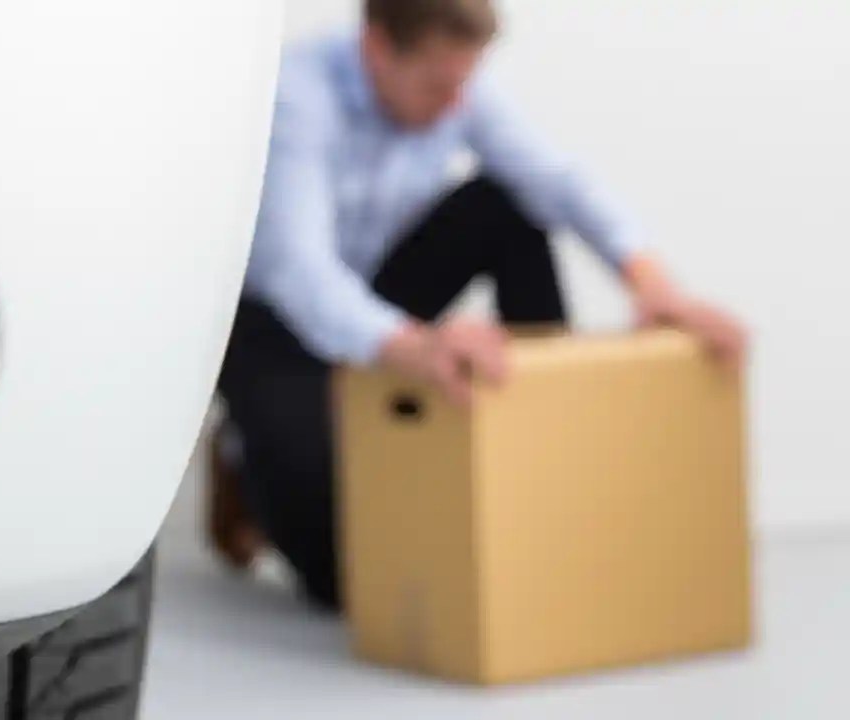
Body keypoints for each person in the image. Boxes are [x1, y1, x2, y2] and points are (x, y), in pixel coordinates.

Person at [209, 0, 747, 611]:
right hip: (270, 321)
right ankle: (240, 456)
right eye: (439, 85)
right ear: (379, 48)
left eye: (464, 83)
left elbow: (557, 180)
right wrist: (415, 347)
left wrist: (650, 281)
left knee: (510, 207)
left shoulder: (453, 85)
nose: (456, 105)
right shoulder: (298, 99)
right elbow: (296, 270)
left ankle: (546, 457)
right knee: (344, 582)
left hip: (372, 288)